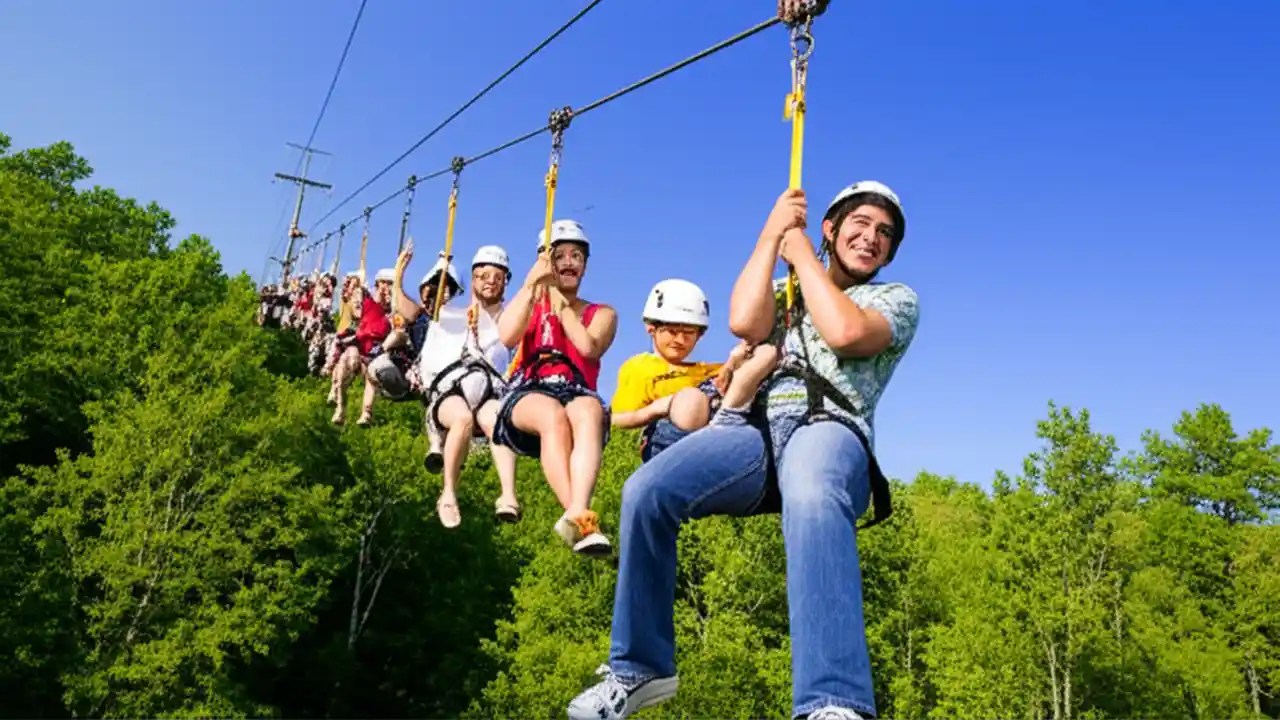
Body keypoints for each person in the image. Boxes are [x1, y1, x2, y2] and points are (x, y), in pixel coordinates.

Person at [566, 181, 920, 720]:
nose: (871, 238)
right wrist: (772, 233)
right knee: (647, 490)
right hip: (753, 429)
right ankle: (640, 668)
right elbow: (743, 322)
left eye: (884, 233)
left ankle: (834, 700)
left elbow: (846, 333)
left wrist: (801, 253)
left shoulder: (894, 300)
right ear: (831, 228)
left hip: (827, 426)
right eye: (860, 224)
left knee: (813, 491)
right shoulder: (785, 290)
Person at [491, 219, 617, 557]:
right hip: (531, 390)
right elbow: (506, 336)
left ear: (585, 266)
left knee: (589, 412)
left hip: (577, 389)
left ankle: (577, 510)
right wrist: (533, 286)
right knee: (551, 415)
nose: (568, 262)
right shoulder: (531, 305)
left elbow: (589, 347)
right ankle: (581, 518)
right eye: (559, 256)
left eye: (576, 256)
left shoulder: (602, 313)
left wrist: (558, 302)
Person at [611, 278, 780, 462]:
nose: (680, 340)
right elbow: (618, 420)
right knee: (692, 401)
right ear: (652, 328)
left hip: (715, 431)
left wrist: (734, 361)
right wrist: (657, 408)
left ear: (699, 336)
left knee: (765, 354)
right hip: (671, 436)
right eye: (672, 331)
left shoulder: (709, 370)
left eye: (689, 333)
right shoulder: (640, 367)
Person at [418, 244, 521, 528]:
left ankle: (508, 495)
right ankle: (449, 491)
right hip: (452, 391)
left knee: (499, 420)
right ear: (473, 279)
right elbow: (413, 309)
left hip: (488, 390)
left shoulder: (509, 320)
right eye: (484, 276)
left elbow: (529, 305)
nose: (491, 282)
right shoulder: (448, 313)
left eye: (498, 278)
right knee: (462, 418)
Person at [365, 245, 465, 403]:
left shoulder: (456, 322)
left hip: (442, 377)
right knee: (381, 366)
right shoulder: (419, 315)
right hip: (413, 373)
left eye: (446, 290)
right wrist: (399, 272)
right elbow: (400, 303)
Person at [330, 267, 395, 426]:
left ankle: (366, 412)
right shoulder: (367, 300)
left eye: (390, 285)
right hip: (360, 343)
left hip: (376, 349)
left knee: (372, 377)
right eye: (383, 284)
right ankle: (340, 405)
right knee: (349, 361)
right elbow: (355, 309)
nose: (386, 289)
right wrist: (356, 290)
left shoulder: (393, 311)